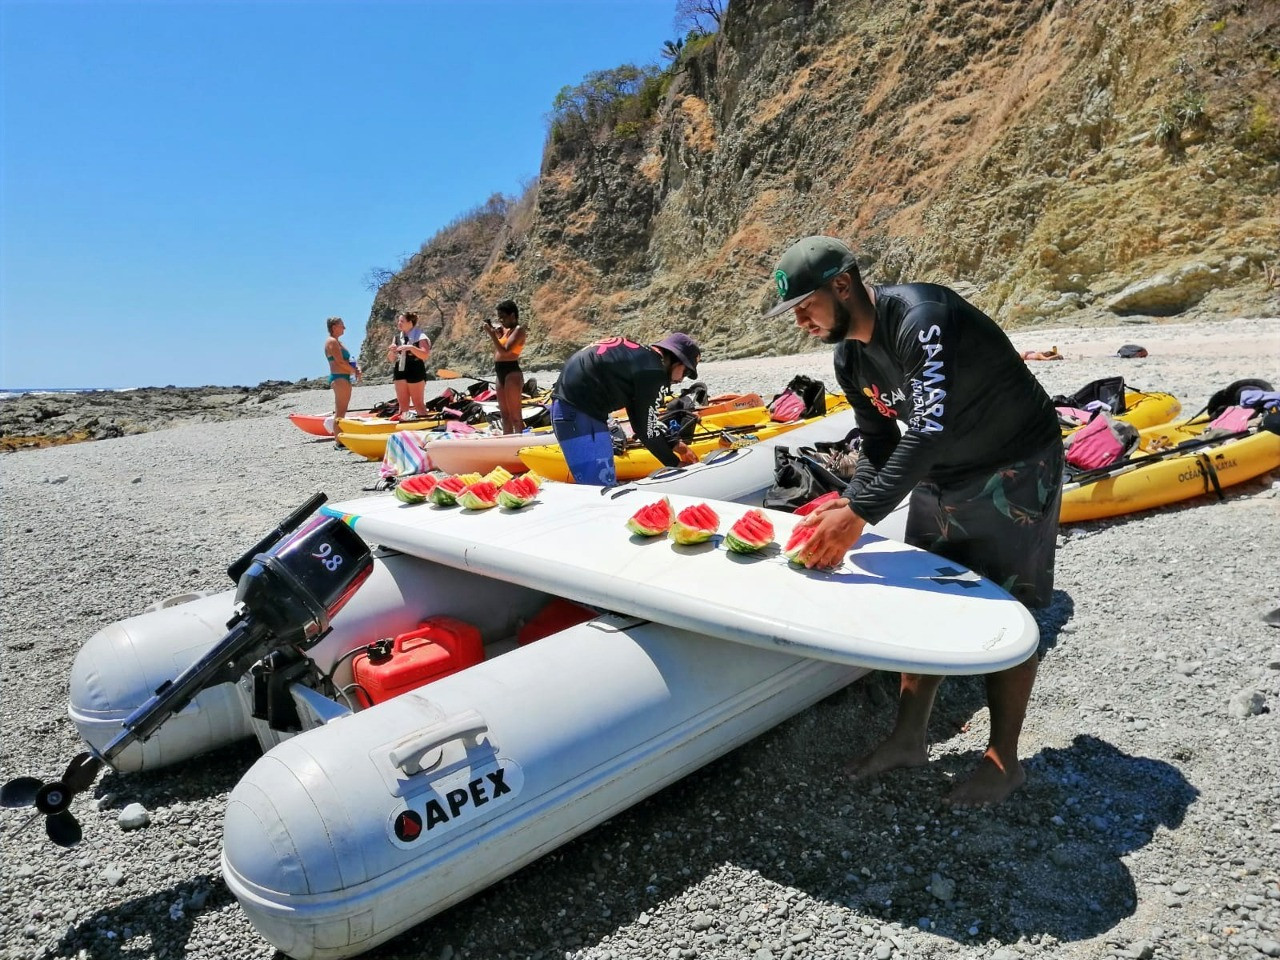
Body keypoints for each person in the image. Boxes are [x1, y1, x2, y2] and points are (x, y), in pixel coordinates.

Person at [762, 236, 1062, 807]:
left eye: (805, 304)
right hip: (942, 472)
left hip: (1016, 463)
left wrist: (859, 515)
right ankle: (908, 738)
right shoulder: (849, 358)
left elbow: (927, 428)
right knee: (927, 596)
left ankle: (1003, 761)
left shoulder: (922, 319)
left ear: (842, 285)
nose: (799, 319)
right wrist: (851, 496)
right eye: (792, 311)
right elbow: (879, 441)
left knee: (1007, 604)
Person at [551, 332, 703, 485]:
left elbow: (642, 418)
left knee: (598, 486)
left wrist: (676, 444)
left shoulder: (643, 359)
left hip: (567, 410)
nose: (681, 380)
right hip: (580, 414)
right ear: (676, 360)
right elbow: (645, 431)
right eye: (687, 372)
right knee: (599, 488)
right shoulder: (654, 372)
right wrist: (677, 466)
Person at [481, 300, 528, 434]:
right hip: (500, 372)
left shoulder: (518, 330)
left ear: (512, 315)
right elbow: (501, 342)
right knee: (505, 416)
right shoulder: (506, 331)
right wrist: (495, 333)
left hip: (512, 372)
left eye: (503, 317)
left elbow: (506, 351)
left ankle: (521, 442)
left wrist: (491, 335)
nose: (501, 320)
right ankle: (507, 442)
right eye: (499, 317)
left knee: (515, 417)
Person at [386, 312, 431, 420]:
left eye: (402, 321)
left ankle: (423, 423)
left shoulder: (420, 336)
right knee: (402, 404)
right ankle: (405, 424)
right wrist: (392, 351)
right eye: (399, 321)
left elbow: (425, 355)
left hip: (415, 367)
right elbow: (391, 359)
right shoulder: (397, 337)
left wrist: (411, 347)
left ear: (410, 323)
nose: (399, 323)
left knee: (418, 403)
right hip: (400, 368)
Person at [324, 316, 361, 430]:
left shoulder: (339, 342)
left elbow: (348, 360)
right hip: (339, 377)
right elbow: (339, 361)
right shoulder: (332, 341)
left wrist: (356, 368)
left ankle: (340, 438)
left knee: (343, 410)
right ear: (334, 327)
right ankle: (338, 440)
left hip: (345, 377)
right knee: (340, 411)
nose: (344, 327)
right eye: (341, 325)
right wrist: (353, 371)